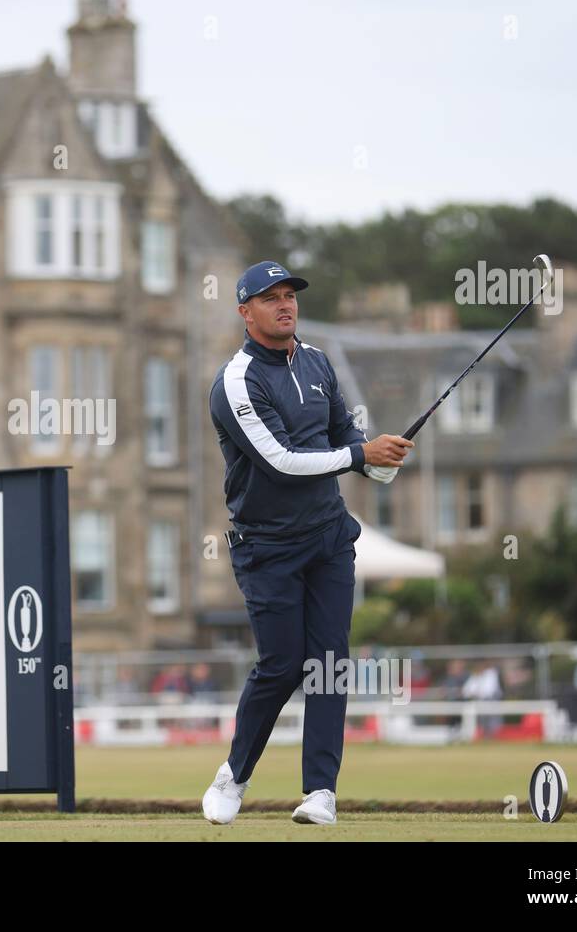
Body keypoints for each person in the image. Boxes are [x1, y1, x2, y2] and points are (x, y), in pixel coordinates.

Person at [201, 260, 414, 826]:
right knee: (281, 664)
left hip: (327, 538)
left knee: (328, 663)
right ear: (246, 312)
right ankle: (235, 776)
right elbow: (281, 462)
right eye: (270, 298)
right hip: (266, 547)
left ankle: (321, 792)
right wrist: (359, 458)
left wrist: (380, 460)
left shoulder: (317, 362)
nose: (285, 304)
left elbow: (344, 435)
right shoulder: (236, 381)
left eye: (290, 294)